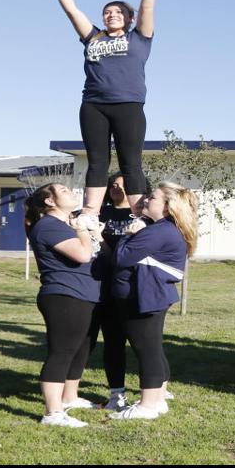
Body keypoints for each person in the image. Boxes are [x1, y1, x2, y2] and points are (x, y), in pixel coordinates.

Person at [44, 0, 159, 219]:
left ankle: (139, 216)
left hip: (128, 105)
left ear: (130, 18)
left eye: (119, 12)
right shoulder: (93, 37)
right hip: (94, 105)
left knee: (131, 164)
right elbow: (71, 9)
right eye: (107, 12)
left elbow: (148, 8)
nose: (112, 15)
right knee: (97, 161)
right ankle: (90, 215)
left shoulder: (139, 38)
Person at [107, 182, 196, 420]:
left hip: (143, 297)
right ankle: (156, 400)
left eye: (152, 198)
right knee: (153, 349)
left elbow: (121, 258)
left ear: (167, 207)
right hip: (151, 295)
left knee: (146, 351)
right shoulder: (165, 228)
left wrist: (129, 234)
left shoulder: (158, 231)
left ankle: (147, 406)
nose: (146, 200)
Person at [26, 183, 105, 427]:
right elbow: (82, 254)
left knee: (81, 349)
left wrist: (91, 232)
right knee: (61, 352)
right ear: (49, 201)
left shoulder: (63, 225)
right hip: (64, 296)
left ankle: (70, 397)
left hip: (84, 294)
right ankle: (53, 413)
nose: (70, 190)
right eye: (62, 189)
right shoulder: (48, 225)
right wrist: (83, 229)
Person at [88, 173, 139, 410]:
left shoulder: (140, 217)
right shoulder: (100, 214)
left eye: (122, 185)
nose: (116, 188)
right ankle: (116, 393)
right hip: (101, 285)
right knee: (112, 342)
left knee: (142, 342)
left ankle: (156, 388)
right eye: (113, 184)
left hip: (130, 286)